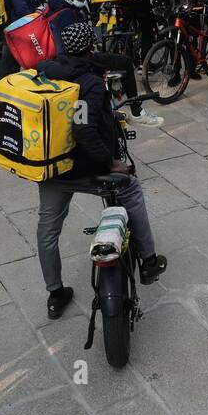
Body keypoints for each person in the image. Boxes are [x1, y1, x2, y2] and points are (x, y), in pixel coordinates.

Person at [34, 21, 167, 319]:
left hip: (53, 168)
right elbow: (82, 128)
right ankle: (148, 260)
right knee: (131, 189)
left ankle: (55, 294)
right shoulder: (89, 83)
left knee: (47, 230)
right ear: (89, 47)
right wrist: (109, 162)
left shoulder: (47, 71)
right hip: (86, 167)